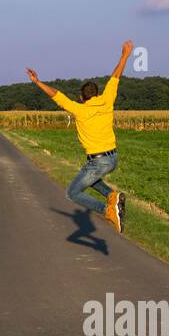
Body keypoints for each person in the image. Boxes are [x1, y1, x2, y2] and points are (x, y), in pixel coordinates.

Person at [25, 41, 133, 232]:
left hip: (98, 161)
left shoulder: (79, 109)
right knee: (92, 179)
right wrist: (125, 55)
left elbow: (56, 95)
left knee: (72, 193)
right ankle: (113, 197)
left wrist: (37, 82)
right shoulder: (107, 100)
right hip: (113, 157)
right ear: (97, 94)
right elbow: (116, 76)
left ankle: (108, 211)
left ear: (82, 98)